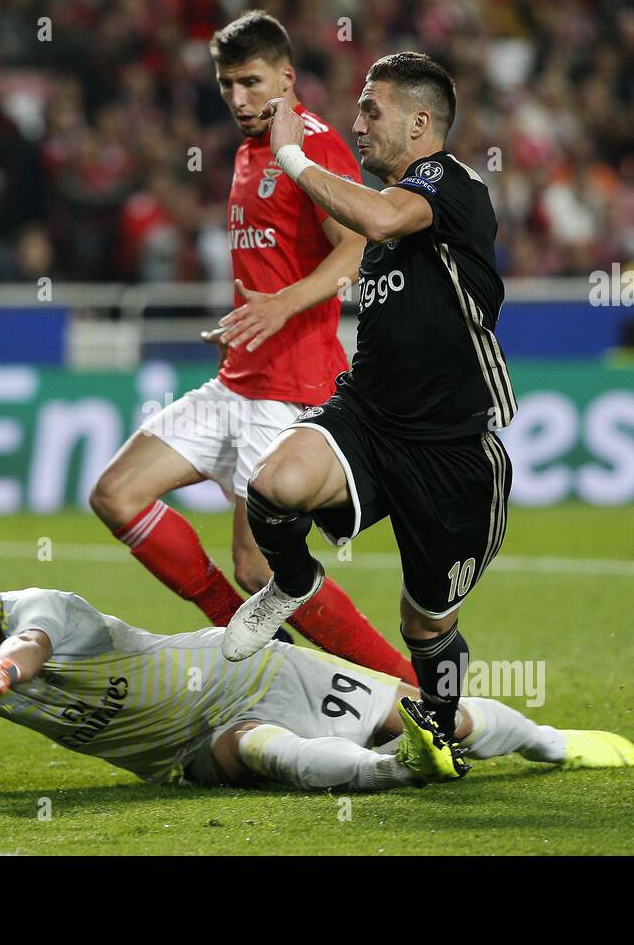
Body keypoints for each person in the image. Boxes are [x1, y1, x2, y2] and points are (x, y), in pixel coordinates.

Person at [89, 11, 416, 683]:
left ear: (288, 77)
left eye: (252, 82)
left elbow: (354, 252)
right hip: (235, 383)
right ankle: (252, 650)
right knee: (116, 494)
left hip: (290, 393)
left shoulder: (316, 147)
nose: (238, 100)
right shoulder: (247, 149)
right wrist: (250, 321)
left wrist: (280, 307)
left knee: (258, 568)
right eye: (226, 85)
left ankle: (410, 692)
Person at [219, 53, 519, 784]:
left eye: (372, 111)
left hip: (452, 454)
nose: (357, 124)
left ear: (421, 123)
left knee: (425, 627)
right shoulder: (384, 210)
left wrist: (291, 155)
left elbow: (381, 215)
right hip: (370, 420)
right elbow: (360, 226)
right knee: (276, 482)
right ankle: (291, 582)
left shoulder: (451, 183)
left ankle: (441, 728)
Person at [0, 533, 634, 798]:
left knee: (446, 717)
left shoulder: (46, 607)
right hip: (191, 751)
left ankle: (552, 742)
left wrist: (4, 675)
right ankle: (405, 769)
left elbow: (29, 651)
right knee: (273, 756)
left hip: (238, 670)